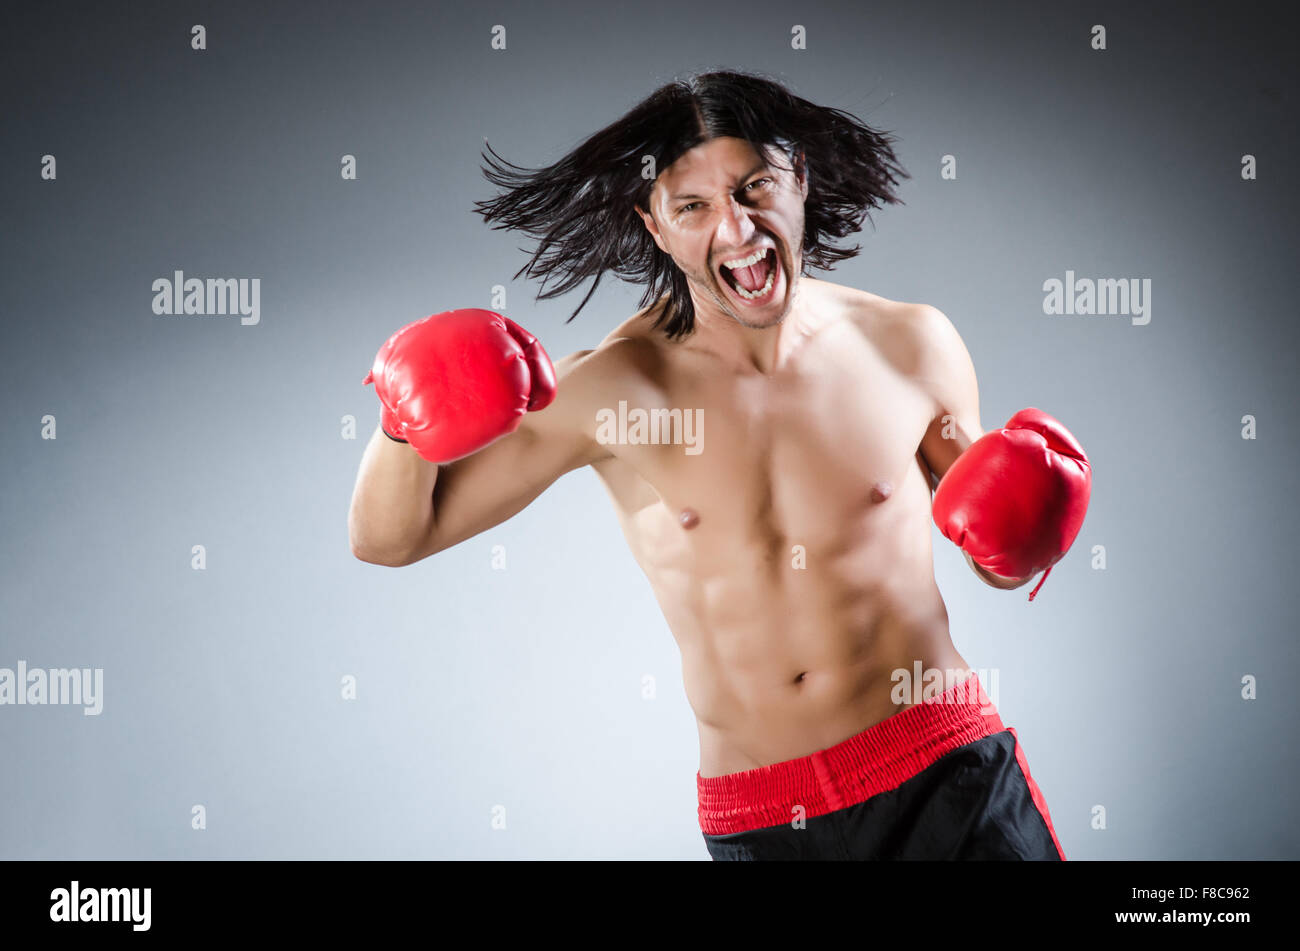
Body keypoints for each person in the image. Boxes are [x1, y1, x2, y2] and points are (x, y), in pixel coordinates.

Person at [348, 70, 1090, 860]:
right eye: (693, 206)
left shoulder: (908, 344)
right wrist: (400, 424)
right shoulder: (614, 387)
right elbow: (391, 537)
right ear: (655, 225)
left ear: (799, 180)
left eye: (755, 188)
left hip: (947, 774)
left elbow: (997, 559)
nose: (736, 231)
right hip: (770, 821)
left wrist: (1031, 521)